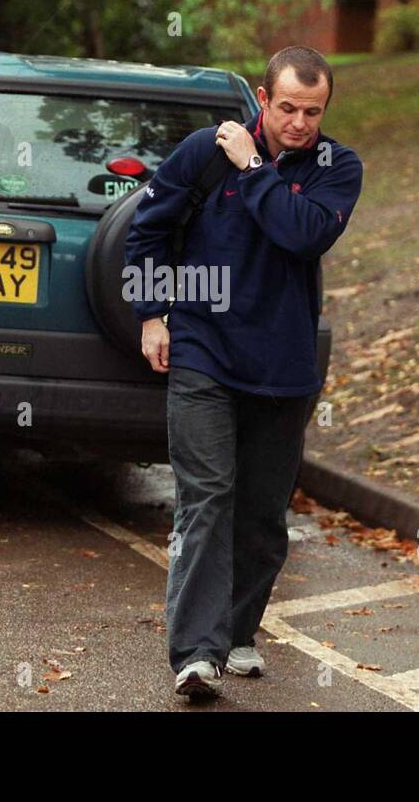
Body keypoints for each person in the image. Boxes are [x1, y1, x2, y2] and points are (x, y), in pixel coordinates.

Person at [124, 45, 363, 699]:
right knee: (206, 499)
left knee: (261, 515)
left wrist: (255, 168)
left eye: (312, 112)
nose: (299, 123)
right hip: (203, 351)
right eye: (287, 107)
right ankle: (195, 654)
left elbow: (299, 234)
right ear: (263, 98)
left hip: (284, 366)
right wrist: (152, 314)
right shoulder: (205, 152)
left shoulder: (337, 169)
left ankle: (235, 634)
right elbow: (147, 229)